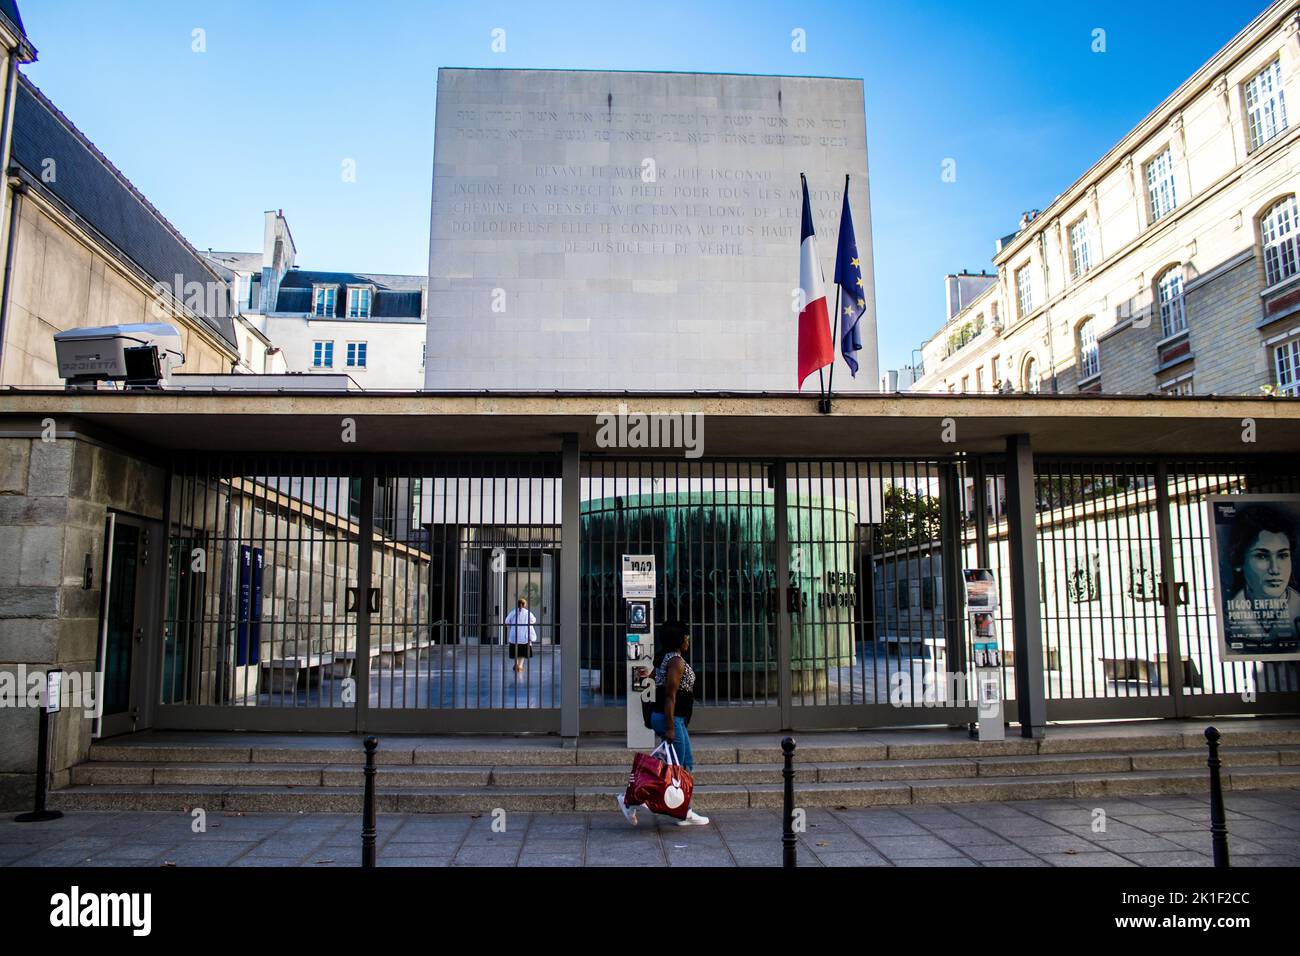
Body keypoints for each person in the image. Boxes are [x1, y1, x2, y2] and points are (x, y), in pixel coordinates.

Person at [618, 620, 709, 827]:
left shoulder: (665, 658)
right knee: (678, 768)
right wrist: (670, 727)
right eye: (686, 636)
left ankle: (683, 810)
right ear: (678, 639)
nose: (688, 639)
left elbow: (654, 680)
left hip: (671, 719)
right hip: (671, 719)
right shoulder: (675, 661)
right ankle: (632, 802)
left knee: (681, 765)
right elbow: (670, 695)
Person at [1224, 504, 1300, 649]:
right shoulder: (1226, 617)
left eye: (1283, 555)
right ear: (1239, 561)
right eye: (1262, 556)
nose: (1275, 569)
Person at [504, 596, 537, 673]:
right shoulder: (527, 612)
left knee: (516, 651)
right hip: (524, 636)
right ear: (525, 604)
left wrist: (511, 627)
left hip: (514, 636)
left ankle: (516, 664)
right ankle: (520, 665)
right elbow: (533, 620)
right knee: (522, 652)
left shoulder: (513, 612)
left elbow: (506, 621)